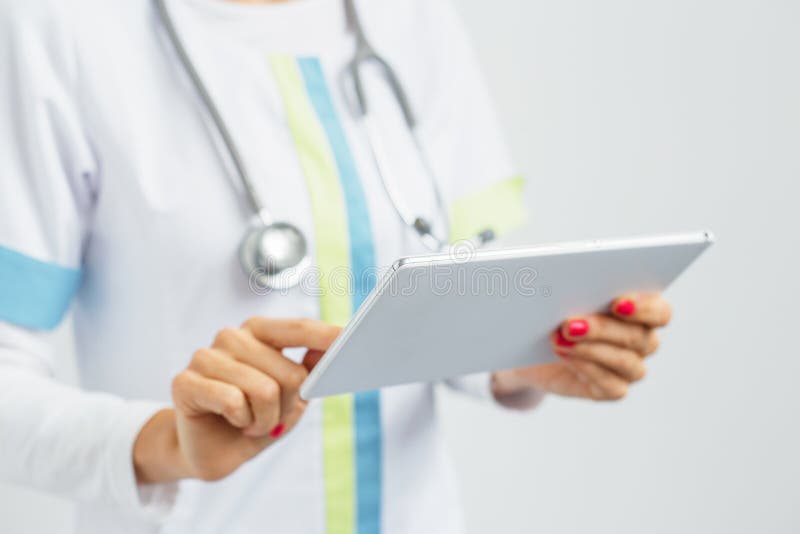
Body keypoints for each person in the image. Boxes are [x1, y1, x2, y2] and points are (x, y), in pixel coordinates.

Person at [0, 0, 672, 532]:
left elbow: (450, 272)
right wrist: (161, 443)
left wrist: (518, 352)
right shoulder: (61, 28)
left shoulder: (410, 17)